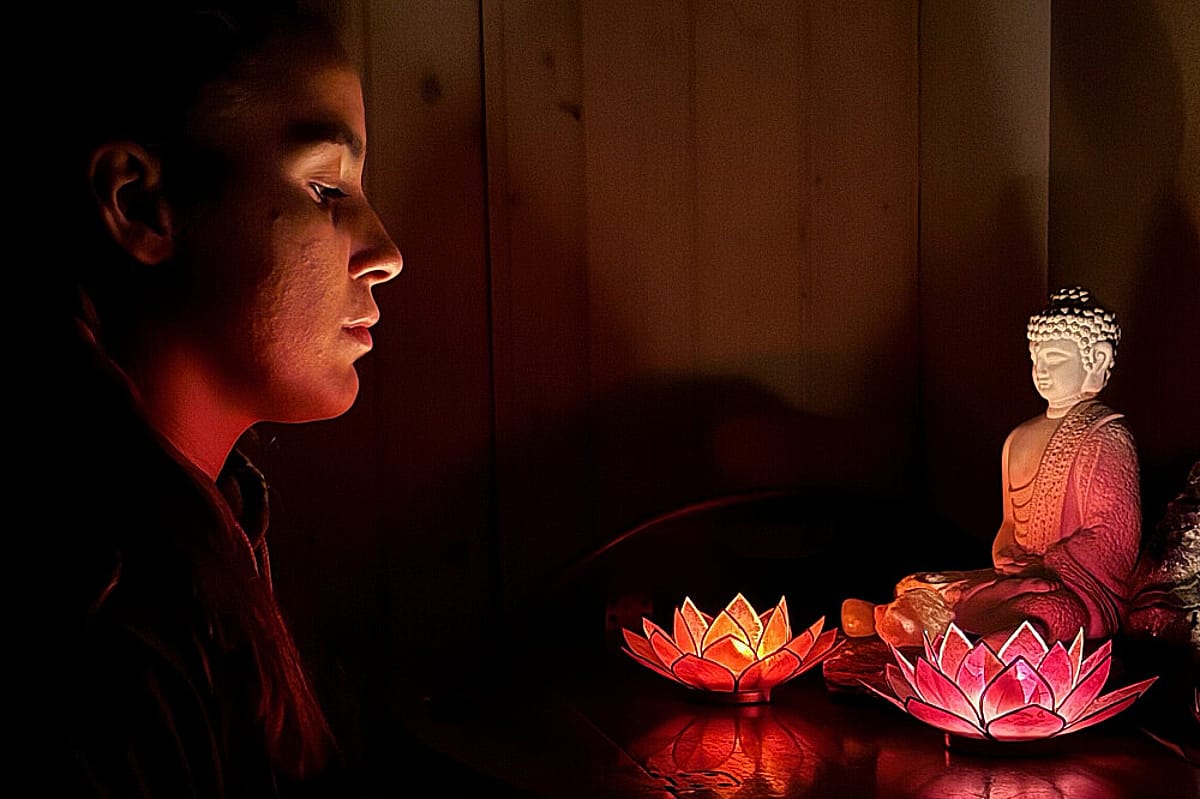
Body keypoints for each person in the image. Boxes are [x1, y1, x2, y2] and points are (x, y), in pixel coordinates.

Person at [40, 2, 402, 795]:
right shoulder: (105, 622)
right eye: (325, 187)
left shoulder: (212, 527)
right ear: (139, 205)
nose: (387, 254)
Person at [842, 287, 1142, 649]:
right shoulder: (1020, 438)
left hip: (1074, 586)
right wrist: (1007, 552)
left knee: (1049, 609)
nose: (1041, 371)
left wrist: (1045, 567)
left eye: (1055, 359)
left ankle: (984, 640)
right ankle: (909, 618)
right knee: (931, 583)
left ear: (1096, 359)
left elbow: (1115, 536)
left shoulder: (1106, 436)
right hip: (1018, 577)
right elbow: (1010, 523)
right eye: (1036, 360)